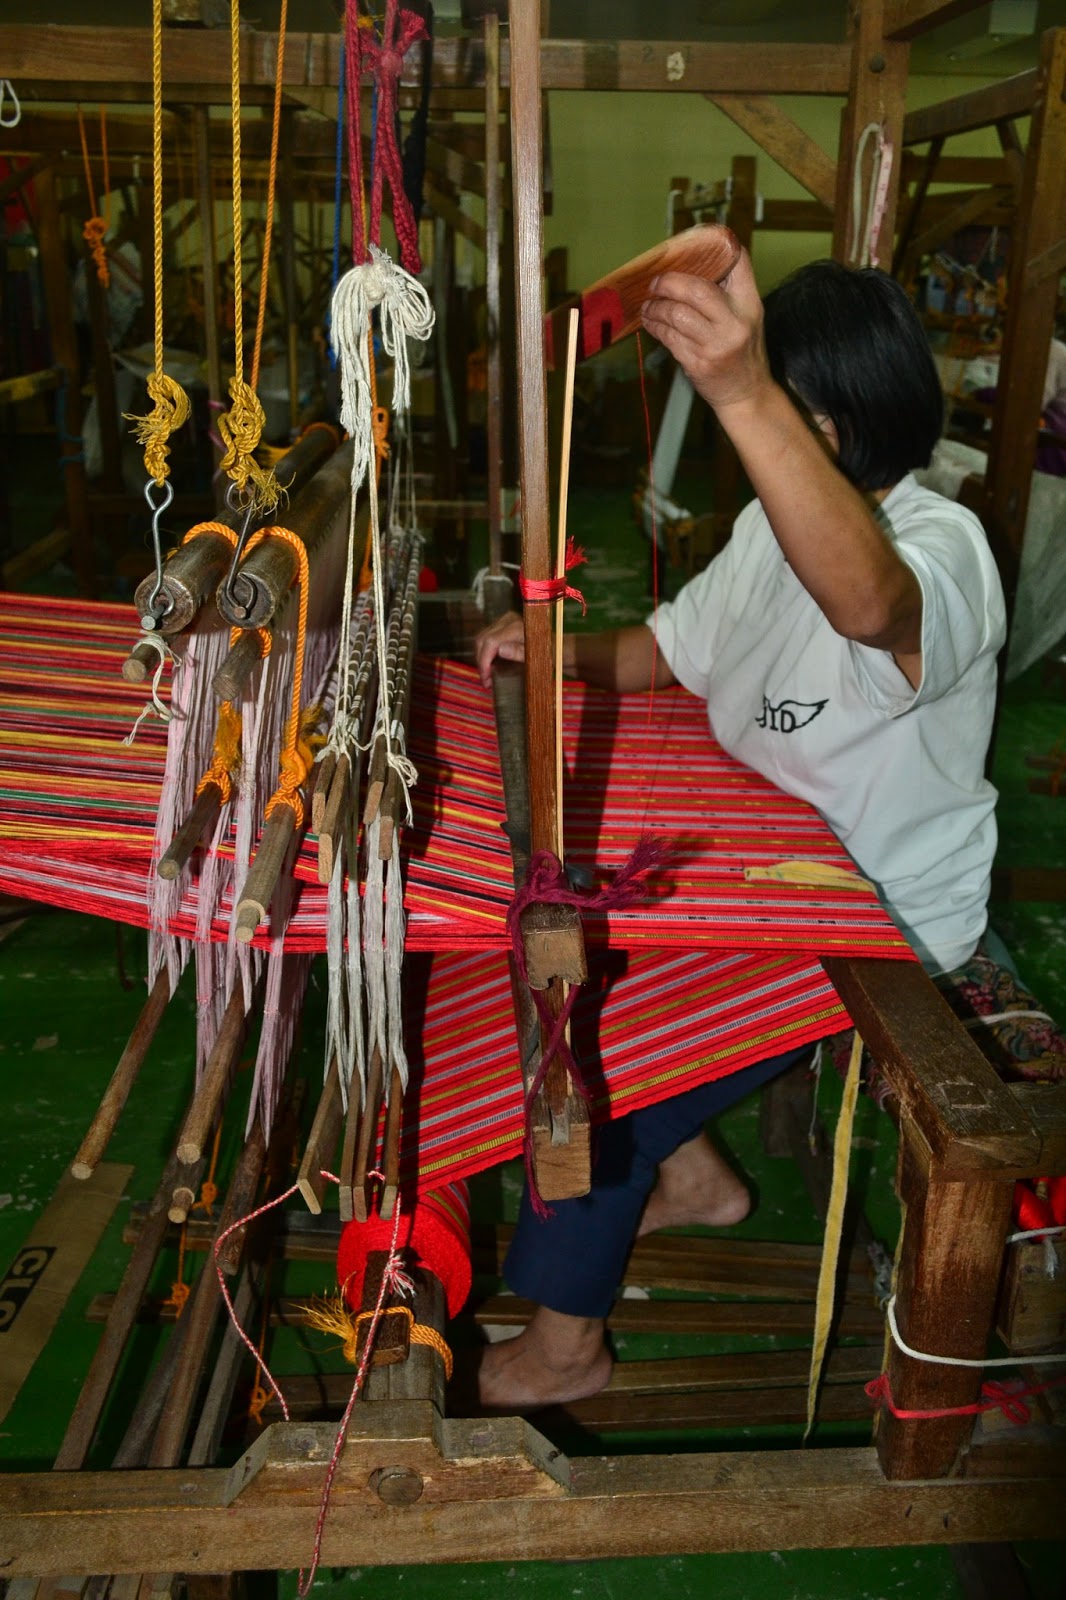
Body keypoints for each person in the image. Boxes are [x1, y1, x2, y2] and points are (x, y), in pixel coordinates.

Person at [473, 252, 1006, 1411]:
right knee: (526, 972)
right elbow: (670, 650)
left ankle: (570, 1343)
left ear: (832, 414)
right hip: (767, 880)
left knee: (580, 1073)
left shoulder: (939, 542)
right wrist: (547, 650)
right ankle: (700, 1177)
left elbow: (870, 607)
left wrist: (740, 392)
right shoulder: (773, 528)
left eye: (790, 412)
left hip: (875, 921)